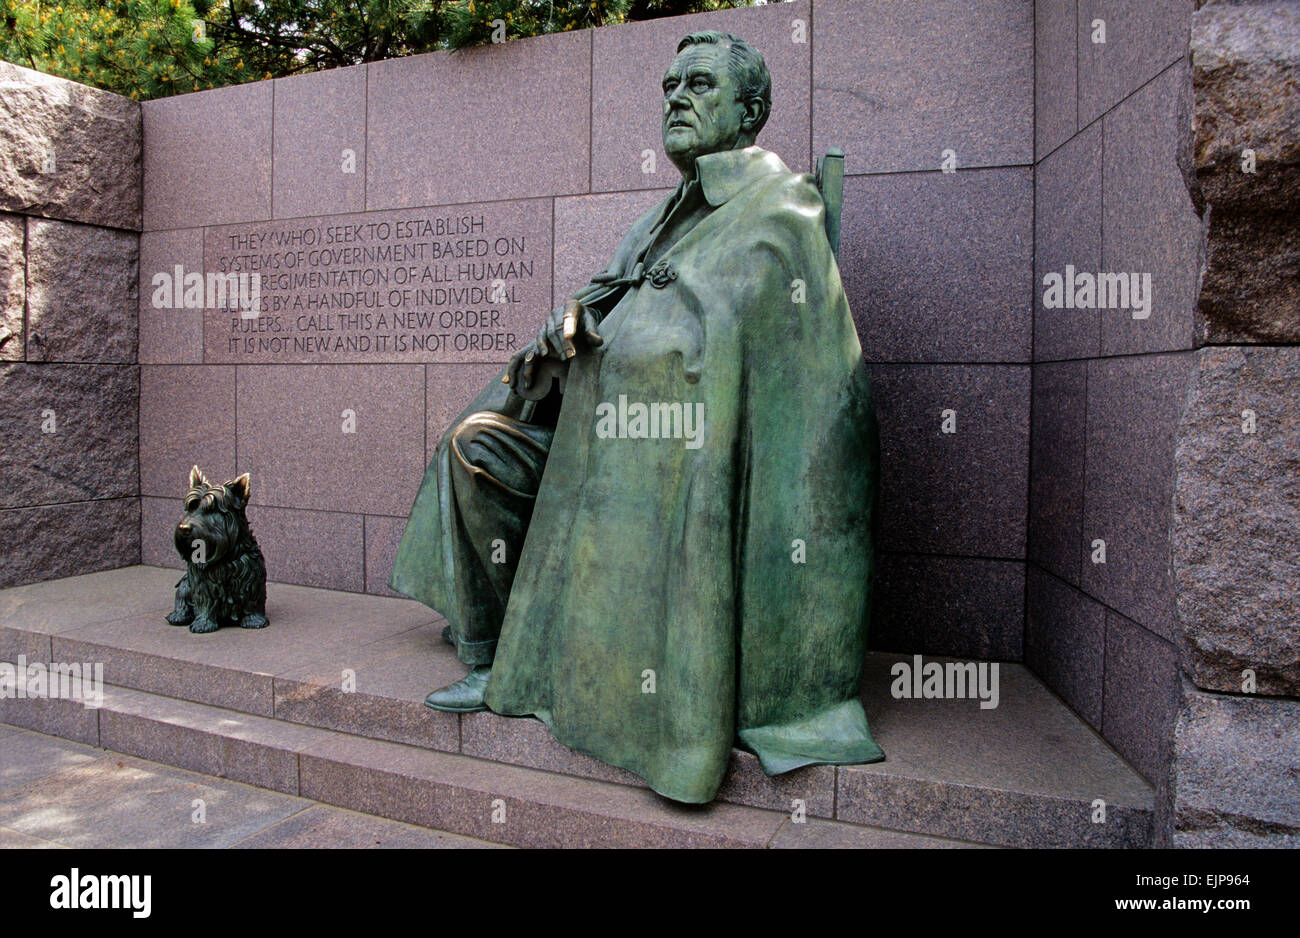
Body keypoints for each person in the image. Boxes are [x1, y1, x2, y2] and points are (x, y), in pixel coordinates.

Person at [390, 30, 884, 804]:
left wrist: (638, 359)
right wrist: (564, 337)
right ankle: (495, 653)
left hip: (683, 453)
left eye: (699, 85)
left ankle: (649, 700)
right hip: (592, 434)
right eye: (668, 84)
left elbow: (776, 371)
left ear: (750, 110)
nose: (676, 97)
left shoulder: (780, 209)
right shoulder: (659, 218)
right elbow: (607, 301)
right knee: (476, 447)